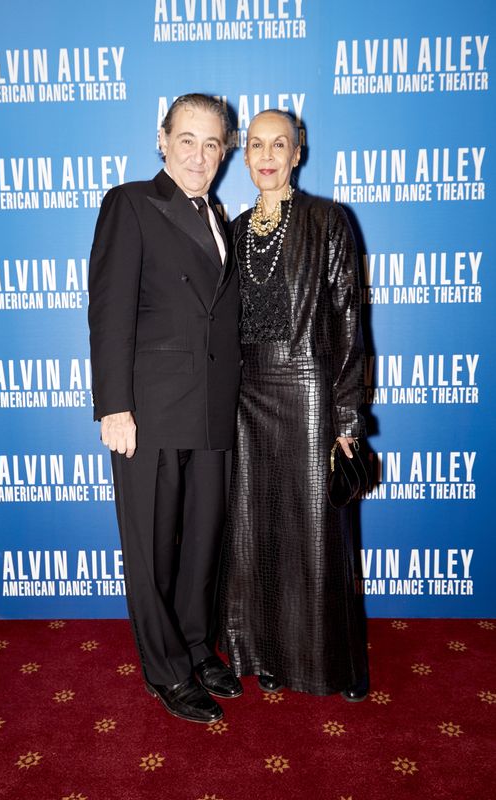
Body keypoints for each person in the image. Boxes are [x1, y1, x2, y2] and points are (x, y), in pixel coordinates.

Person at [88, 94, 243, 723]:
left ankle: (195, 644)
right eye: (188, 140)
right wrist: (114, 407)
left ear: (224, 150)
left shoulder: (220, 214)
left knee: (204, 540)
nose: (199, 155)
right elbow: (109, 312)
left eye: (212, 144)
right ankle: (166, 670)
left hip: (211, 408)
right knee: (152, 547)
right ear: (162, 139)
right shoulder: (130, 203)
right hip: (149, 409)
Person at [219, 110, 368, 700]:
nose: (267, 154)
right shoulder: (231, 230)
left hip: (308, 391)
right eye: (256, 144)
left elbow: (350, 326)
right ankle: (269, 656)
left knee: (316, 536)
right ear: (243, 154)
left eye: (279, 143)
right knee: (256, 534)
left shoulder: (328, 220)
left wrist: (347, 416)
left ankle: (337, 666)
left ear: (297, 152)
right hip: (245, 395)